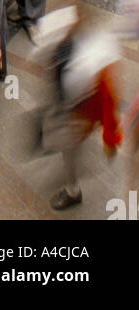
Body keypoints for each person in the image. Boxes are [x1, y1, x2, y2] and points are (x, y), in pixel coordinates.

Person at [34, 12, 122, 212]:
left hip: (78, 117)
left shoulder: (95, 60)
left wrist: (110, 138)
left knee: (69, 150)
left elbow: (108, 102)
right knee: (63, 142)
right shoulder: (63, 38)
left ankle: (73, 191)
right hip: (66, 106)